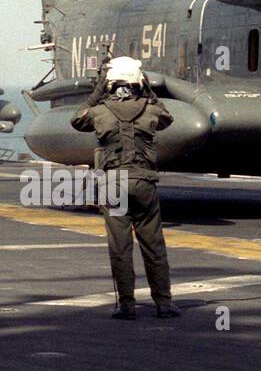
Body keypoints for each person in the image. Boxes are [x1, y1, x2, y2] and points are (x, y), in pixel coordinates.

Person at [70, 57, 180, 320]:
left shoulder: (99, 112)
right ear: (137, 83)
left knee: (120, 248)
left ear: (110, 85)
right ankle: (164, 304)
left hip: (114, 185)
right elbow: (167, 117)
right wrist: (148, 89)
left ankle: (127, 306)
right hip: (143, 183)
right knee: (154, 246)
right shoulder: (150, 110)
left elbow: (77, 120)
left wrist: (97, 91)